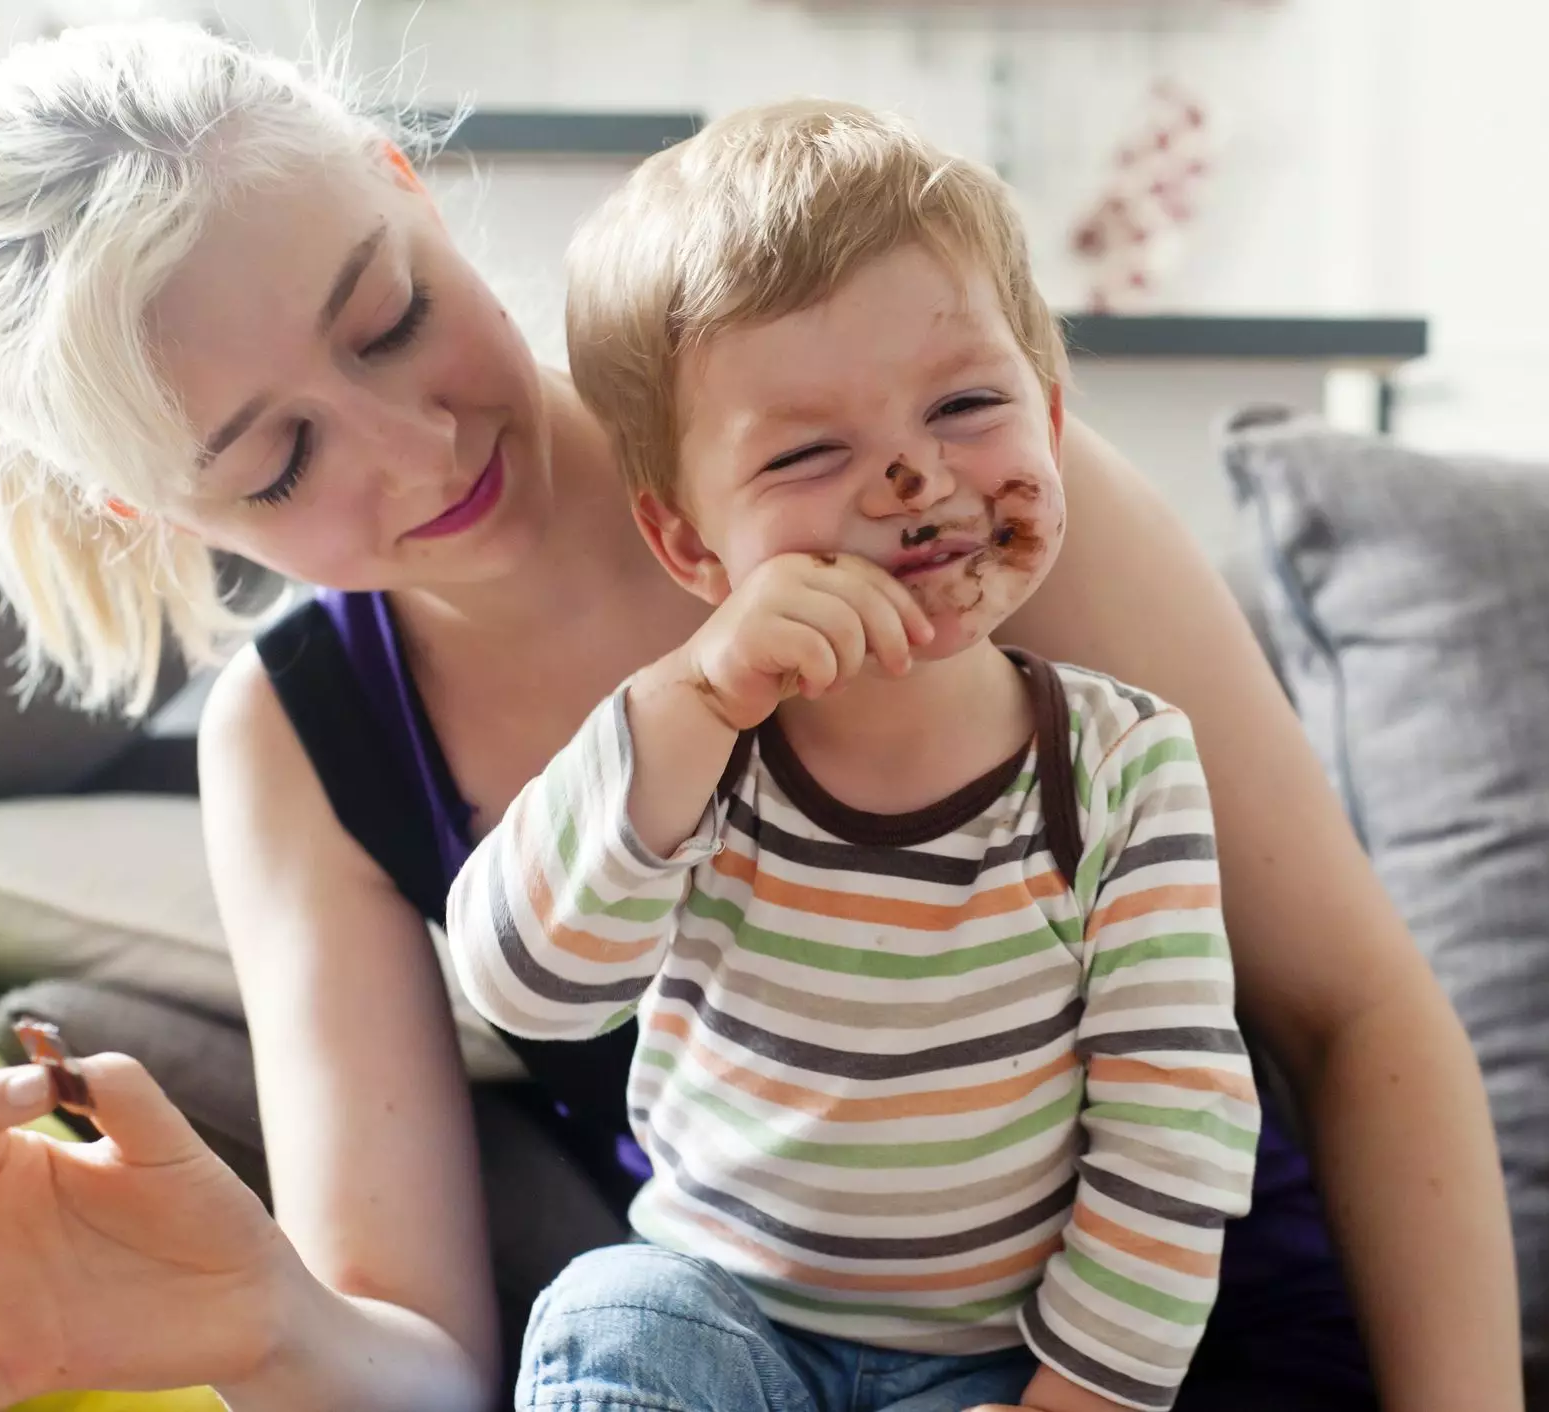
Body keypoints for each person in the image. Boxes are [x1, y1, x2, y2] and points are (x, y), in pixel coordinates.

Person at [0, 19, 1521, 1412]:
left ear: (407, 187)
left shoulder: (944, 480)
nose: (414, 450)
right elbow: (432, 1363)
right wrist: (258, 1323)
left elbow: (1353, 1012)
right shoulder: (296, 747)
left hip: (1183, 1355)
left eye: (391, 316)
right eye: (275, 464)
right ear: (146, 513)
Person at [446, 99, 1256, 1412]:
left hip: (991, 1360)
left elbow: (1173, 1130)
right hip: (722, 1317)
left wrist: (1075, 1399)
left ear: (1048, 421)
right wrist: (695, 700)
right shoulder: (686, 749)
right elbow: (523, 990)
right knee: (607, 1305)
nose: (909, 477)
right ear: (692, 549)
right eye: (812, 451)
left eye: (967, 403)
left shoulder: (1119, 766)